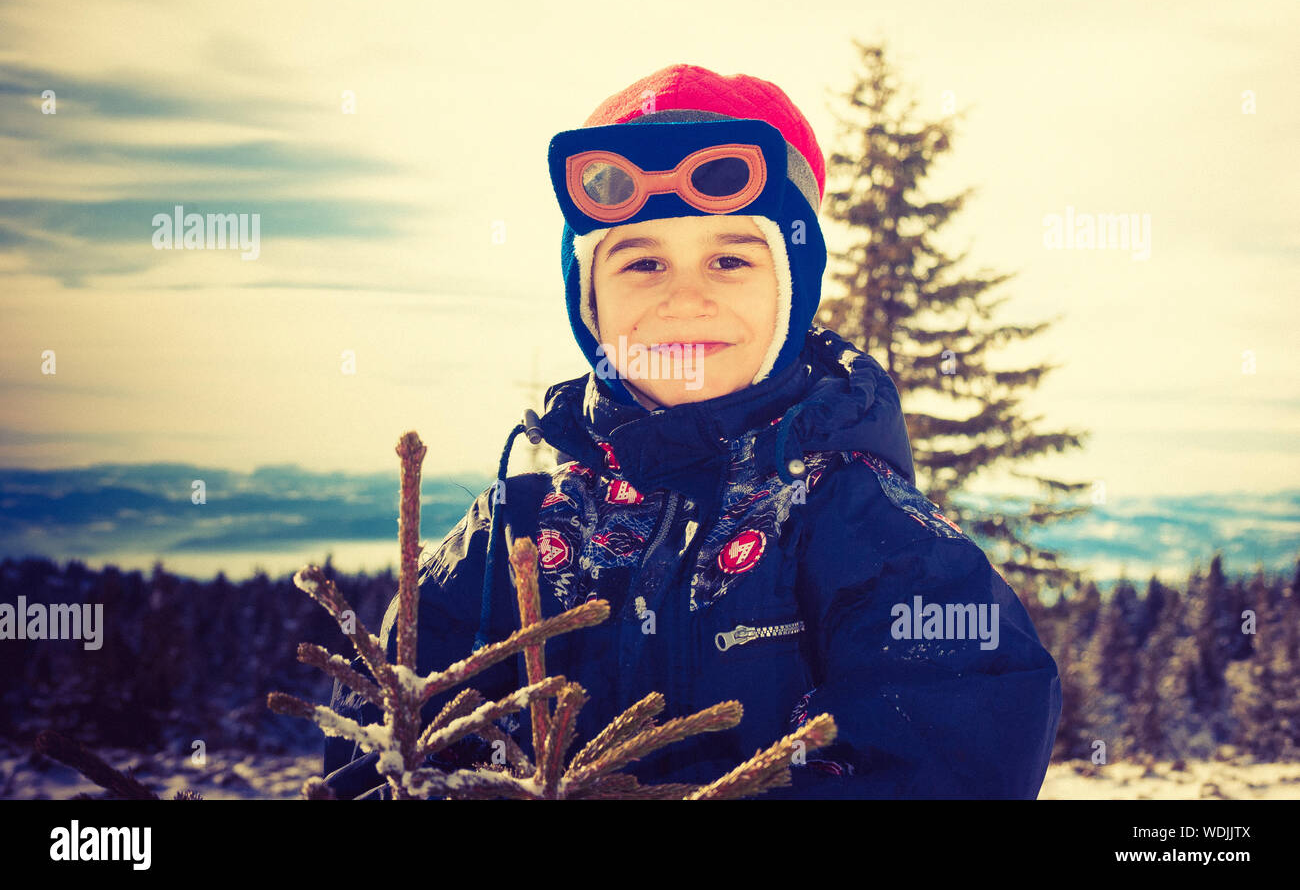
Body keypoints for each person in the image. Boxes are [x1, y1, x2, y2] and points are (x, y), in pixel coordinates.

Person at [321, 63, 1062, 799]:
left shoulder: (865, 529)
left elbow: (949, 749)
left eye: (730, 259)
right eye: (642, 263)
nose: (684, 297)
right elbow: (385, 746)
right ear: (590, 304)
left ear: (791, 294)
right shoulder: (512, 533)